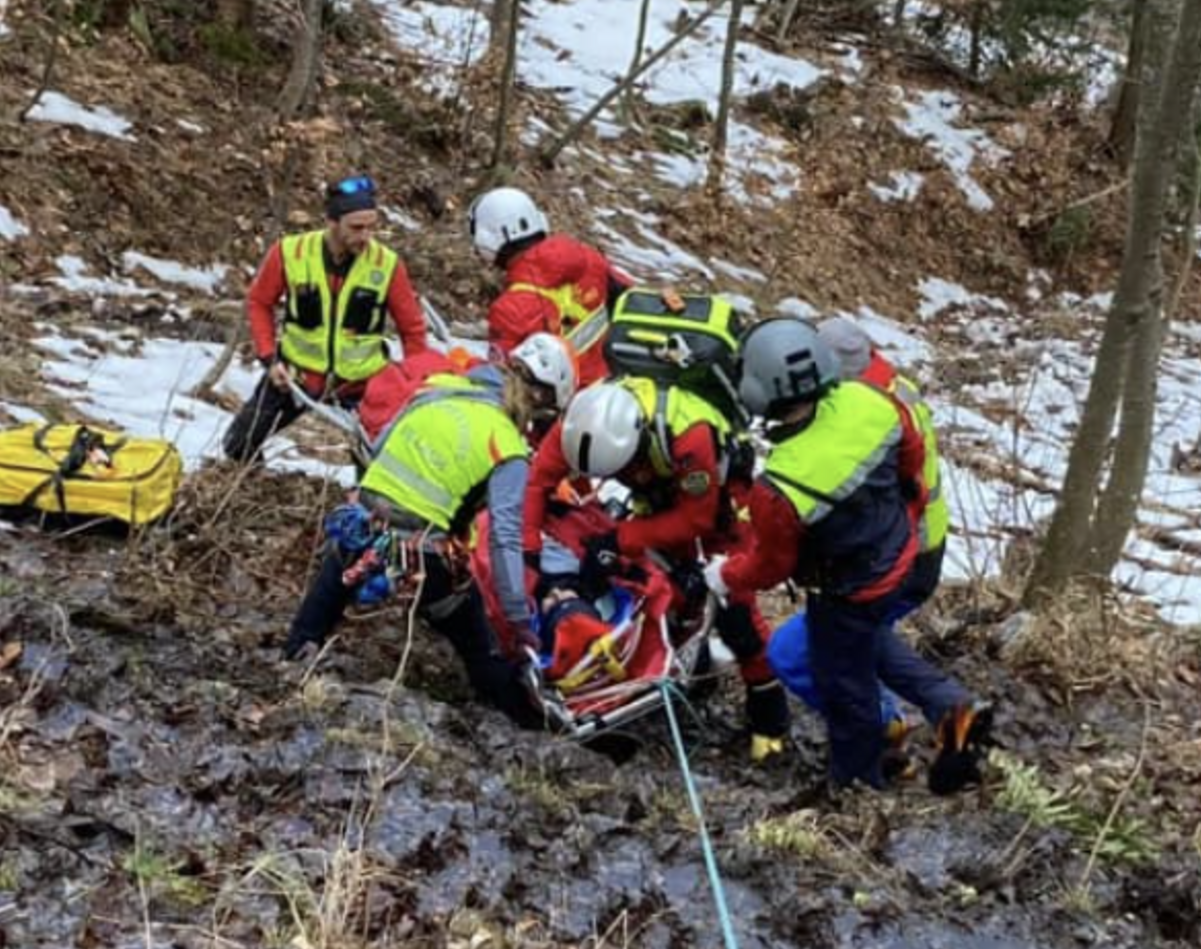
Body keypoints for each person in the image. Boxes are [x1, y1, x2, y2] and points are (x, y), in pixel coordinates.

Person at [708, 318, 987, 794]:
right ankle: (949, 707)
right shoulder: (872, 402)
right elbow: (912, 459)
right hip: (900, 554)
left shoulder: (783, 483)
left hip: (850, 588)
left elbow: (772, 567)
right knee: (860, 644)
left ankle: (857, 781)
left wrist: (727, 574)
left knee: (840, 680)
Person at [283, 337, 577, 727]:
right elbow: (504, 540)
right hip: (423, 558)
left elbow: (376, 448)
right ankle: (536, 724)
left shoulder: (436, 390)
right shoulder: (507, 447)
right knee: (479, 647)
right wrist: (520, 623)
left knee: (329, 589)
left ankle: (292, 665)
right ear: (538, 400)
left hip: (361, 524)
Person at [532, 375, 791, 758]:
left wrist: (619, 540)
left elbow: (697, 519)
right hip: (655, 495)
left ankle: (769, 719)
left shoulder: (689, 434)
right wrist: (521, 551)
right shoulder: (579, 422)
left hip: (717, 506)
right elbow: (537, 483)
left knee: (735, 607)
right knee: (668, 586)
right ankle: (690, 665)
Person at [226, 175, 429, 462]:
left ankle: (365, 504)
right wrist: (270, 359)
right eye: (357, 228)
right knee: (238, 446)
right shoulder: (290, 252)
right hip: (296, 375)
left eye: (372, 227)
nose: (366, 236)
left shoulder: (387, 264)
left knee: (382, 460)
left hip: (361, 382)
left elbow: (413, 330)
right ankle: (252, 490)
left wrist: (416, 381)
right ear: (332, 222)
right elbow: (259, 302)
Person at [470, 186, 632, 387]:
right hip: (614, 384)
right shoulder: (588, 257)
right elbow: (630, 297)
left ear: (488, 239)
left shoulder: (509, 310)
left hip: (569, 406)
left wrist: (466, 364)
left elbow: (500, 382)